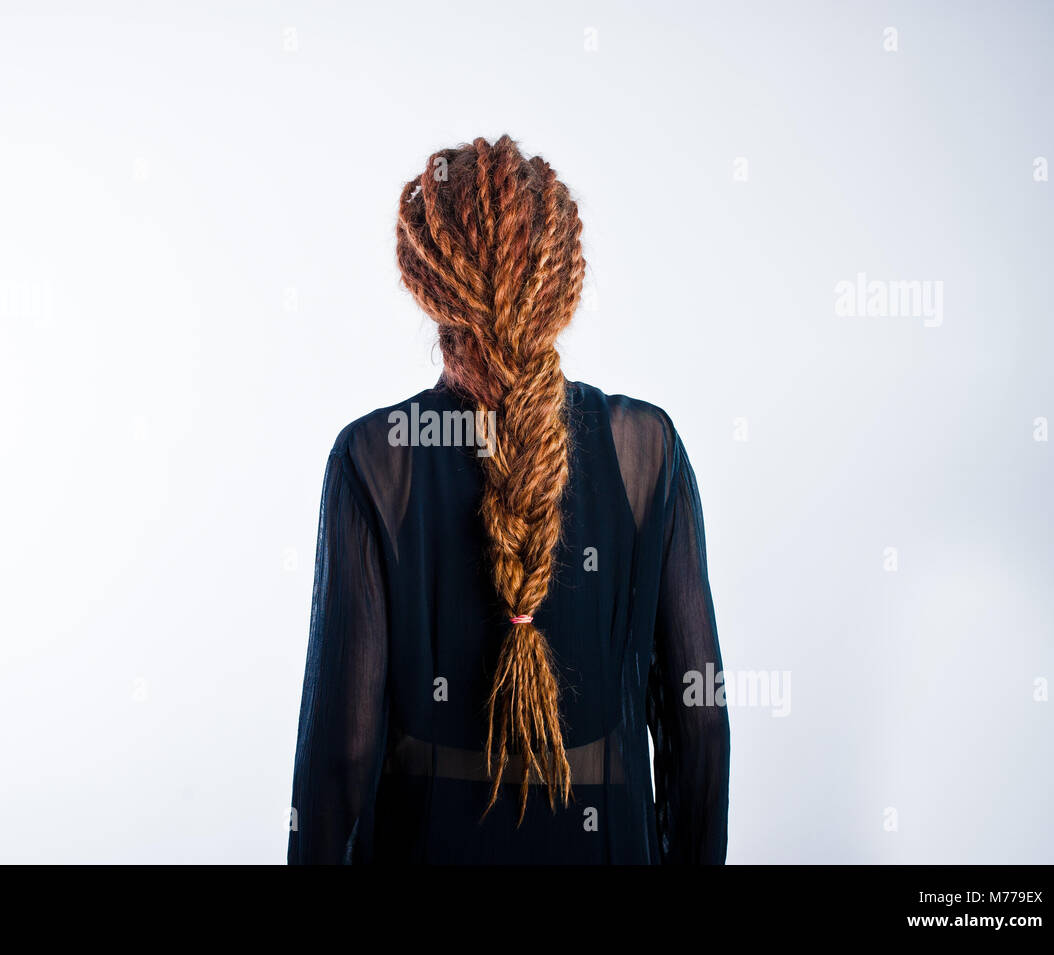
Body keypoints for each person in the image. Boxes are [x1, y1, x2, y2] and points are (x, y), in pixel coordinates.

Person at [287, 135, 729, 864]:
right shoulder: (645, 446)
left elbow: (342, 750)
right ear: (562, 280)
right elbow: (698, 719)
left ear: (429, 282)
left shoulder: (374, 457)